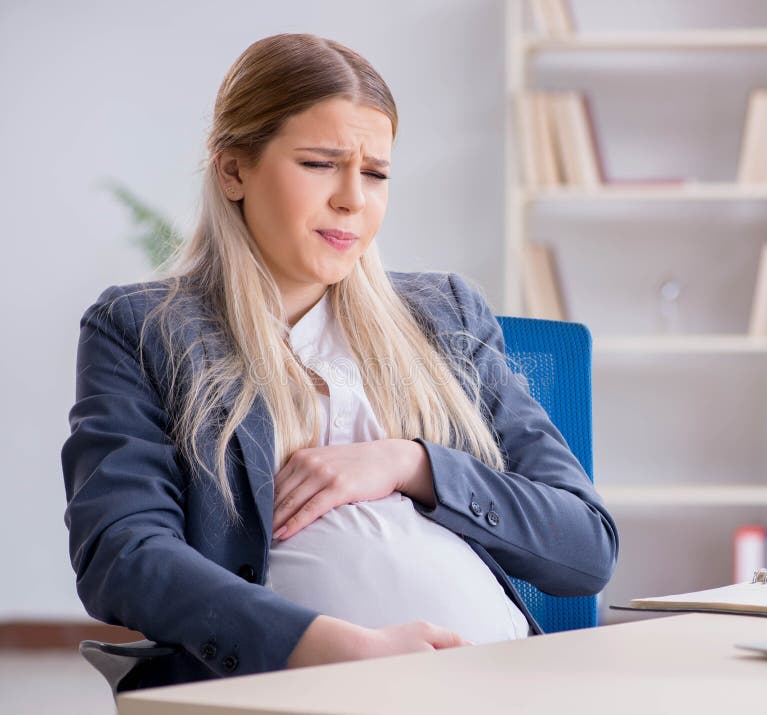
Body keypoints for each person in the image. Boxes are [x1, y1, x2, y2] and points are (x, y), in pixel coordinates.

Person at [61, 32, 619, 692]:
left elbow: (585, 548)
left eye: (376, 173)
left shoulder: (445, 313)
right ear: (234, 169)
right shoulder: (146, 330)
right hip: (303, 688)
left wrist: (411, 462)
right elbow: (124, 555)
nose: (354, 198)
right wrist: (332, 647)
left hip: (504, 683)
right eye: (321, 163)